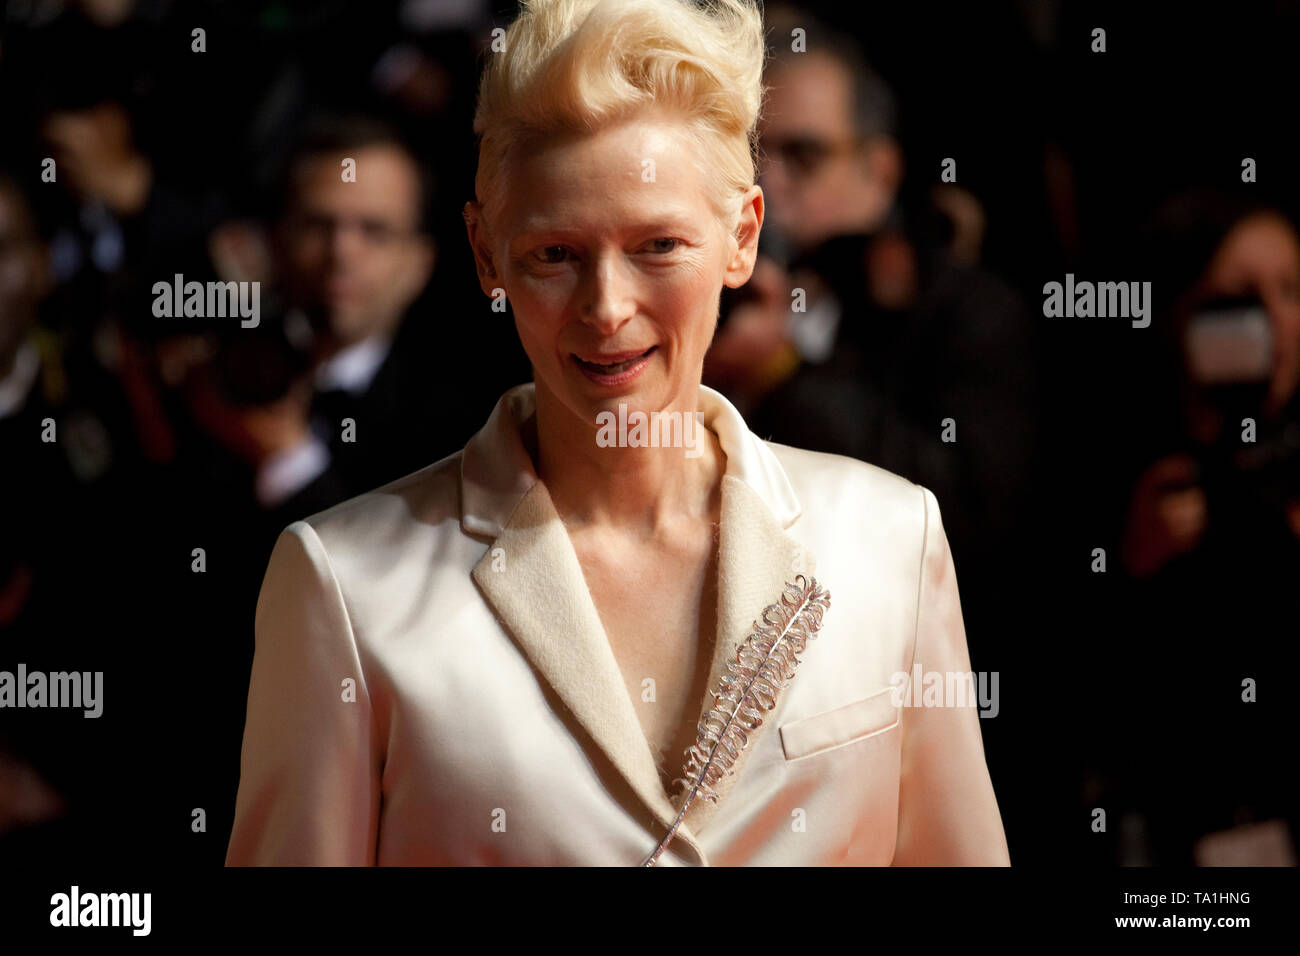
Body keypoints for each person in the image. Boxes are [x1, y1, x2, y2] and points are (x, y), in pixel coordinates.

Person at [226, 0, 1009, 866]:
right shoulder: (343, 585)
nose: (606, 308)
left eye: (658, 246)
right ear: (486, 254)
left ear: (742, 237)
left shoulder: (891, 538)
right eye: (555, 254)